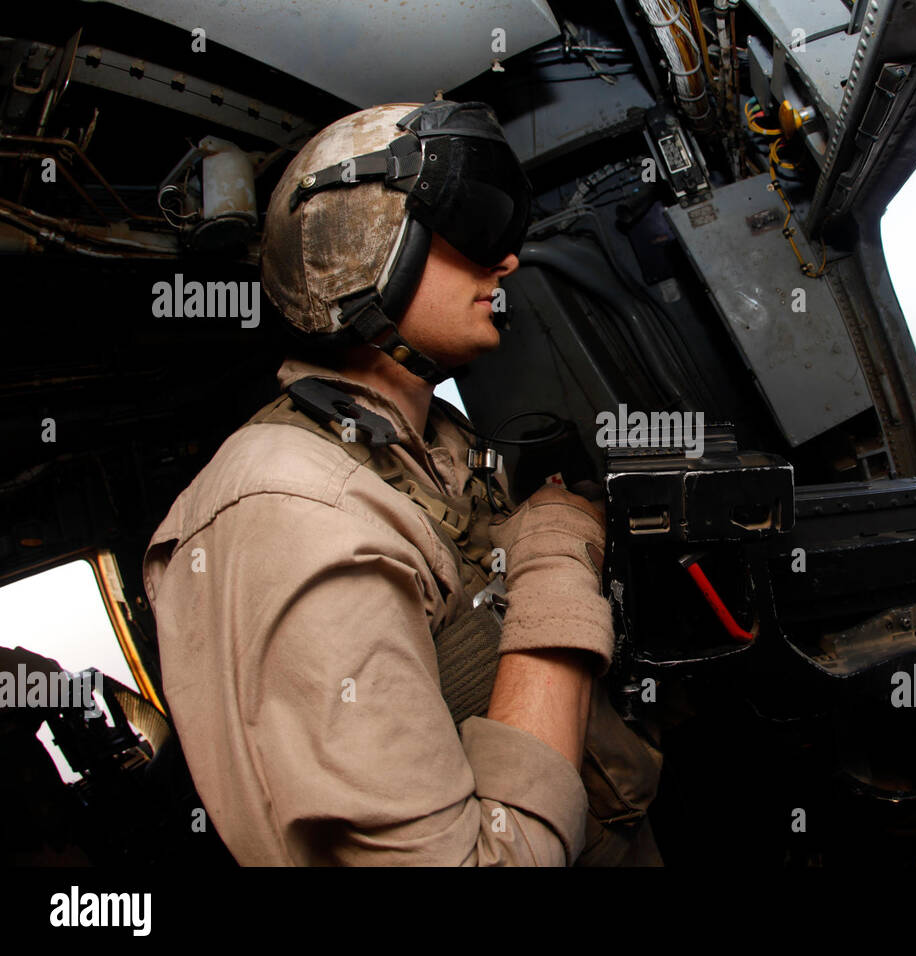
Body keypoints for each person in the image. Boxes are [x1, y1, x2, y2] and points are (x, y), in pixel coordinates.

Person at [142, 99, 661, 865]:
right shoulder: (290, 508)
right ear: (364, 256)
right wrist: (554, 550)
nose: (507, 261)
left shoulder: (434, 446)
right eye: (472, 225)